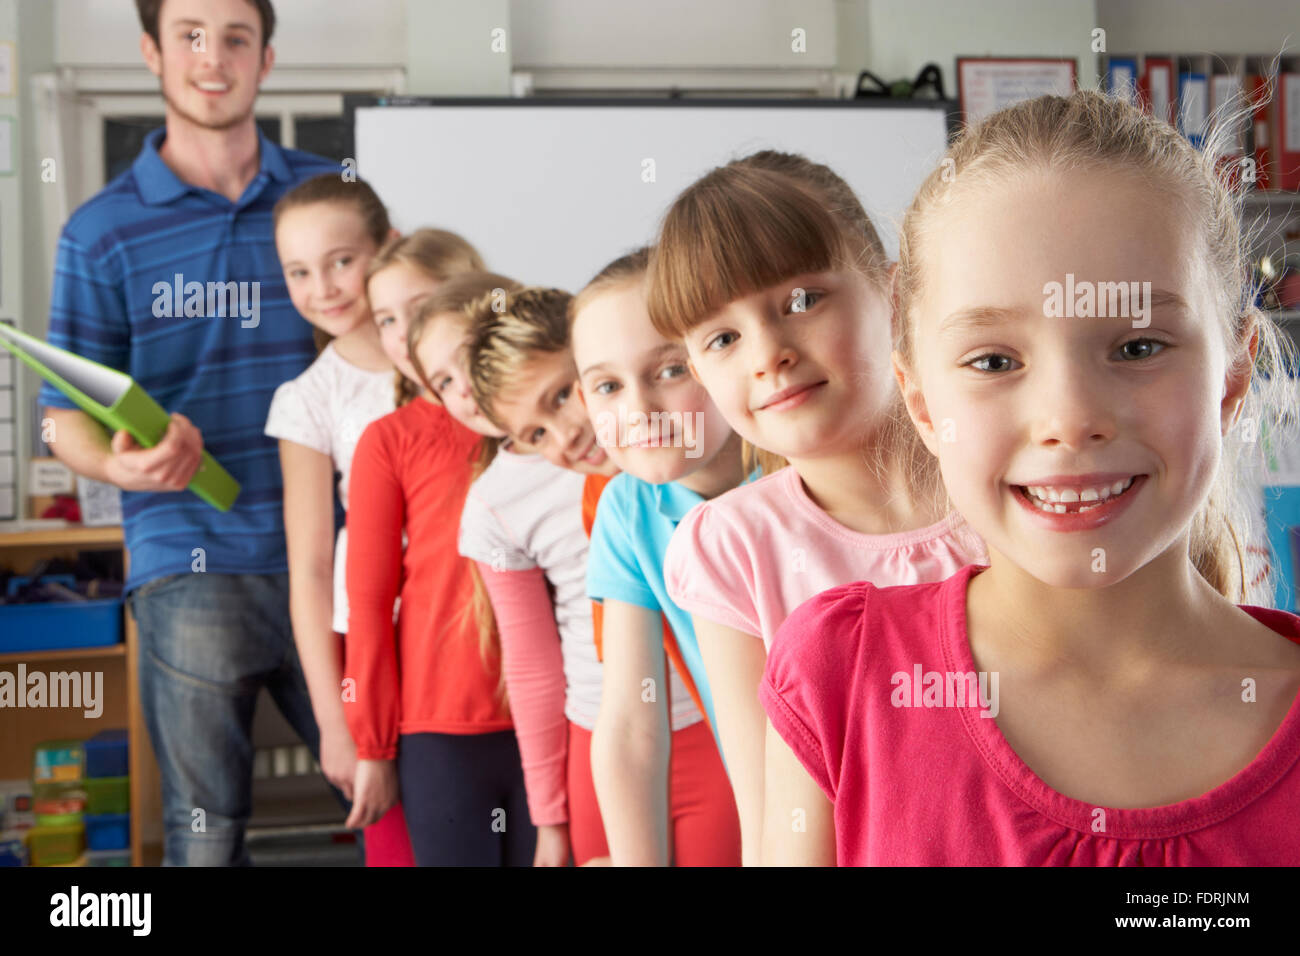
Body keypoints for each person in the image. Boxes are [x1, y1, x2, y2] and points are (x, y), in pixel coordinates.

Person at [762, 90, 1300, 865]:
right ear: (922, 404)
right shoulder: (841, 680)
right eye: (993, 361)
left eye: (1138, 348)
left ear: (1231, 380)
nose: (1069, 418)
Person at [40, 0, 339, 866]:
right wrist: (121, 467)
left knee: (390, 798)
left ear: (266, 58)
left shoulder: (329, 200)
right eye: (191, 35)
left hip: (344, 553)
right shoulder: (100, 232)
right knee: (205, 838)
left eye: (236, 37)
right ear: (153, 51)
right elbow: (62, 419)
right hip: (189, 560)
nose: (214, 57)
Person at [647, 151, 986, 862]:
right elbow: (773, 823)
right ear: (699, 369)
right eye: (723, 338)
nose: (768, 353)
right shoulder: (731, 547)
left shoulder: (1002, 483)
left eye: (802, 301)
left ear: (893, 293)